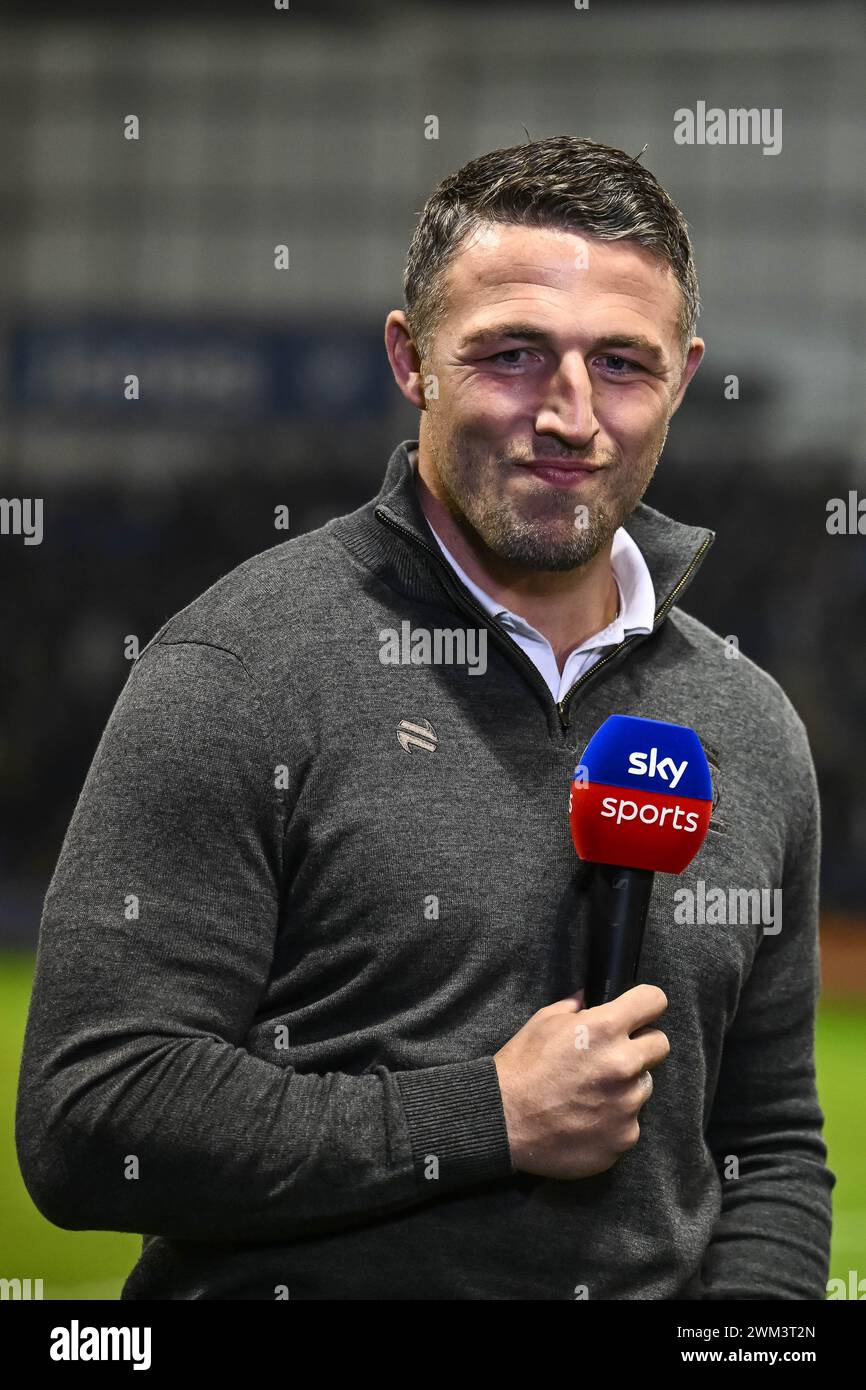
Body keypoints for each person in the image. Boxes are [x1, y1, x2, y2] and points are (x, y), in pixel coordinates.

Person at [16, 135, 834, 1300]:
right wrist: (485, 1114)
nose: (569, 415)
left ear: (683, 377)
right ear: (412, 362)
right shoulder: (237, 667)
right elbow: (91, 1119)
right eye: (510, 355)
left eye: (620, 363)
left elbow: (769, 1146)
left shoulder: (744, 721)